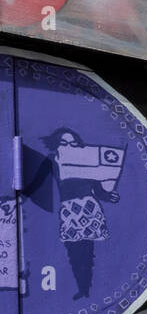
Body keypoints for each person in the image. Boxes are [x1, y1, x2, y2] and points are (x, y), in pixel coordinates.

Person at [20, 128, 120, 300]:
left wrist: (108, 196)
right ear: (56, 144)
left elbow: (97, 186)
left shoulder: (84, 160)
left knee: (87, 250)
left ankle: (85, 288)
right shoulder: (52, 161)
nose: (69, 146)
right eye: (64, 143)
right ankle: (81, 287)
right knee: (73, 250)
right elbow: (38, 181)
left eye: (73, 143)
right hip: (69, 210)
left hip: (89, 209)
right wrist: (22, 196)